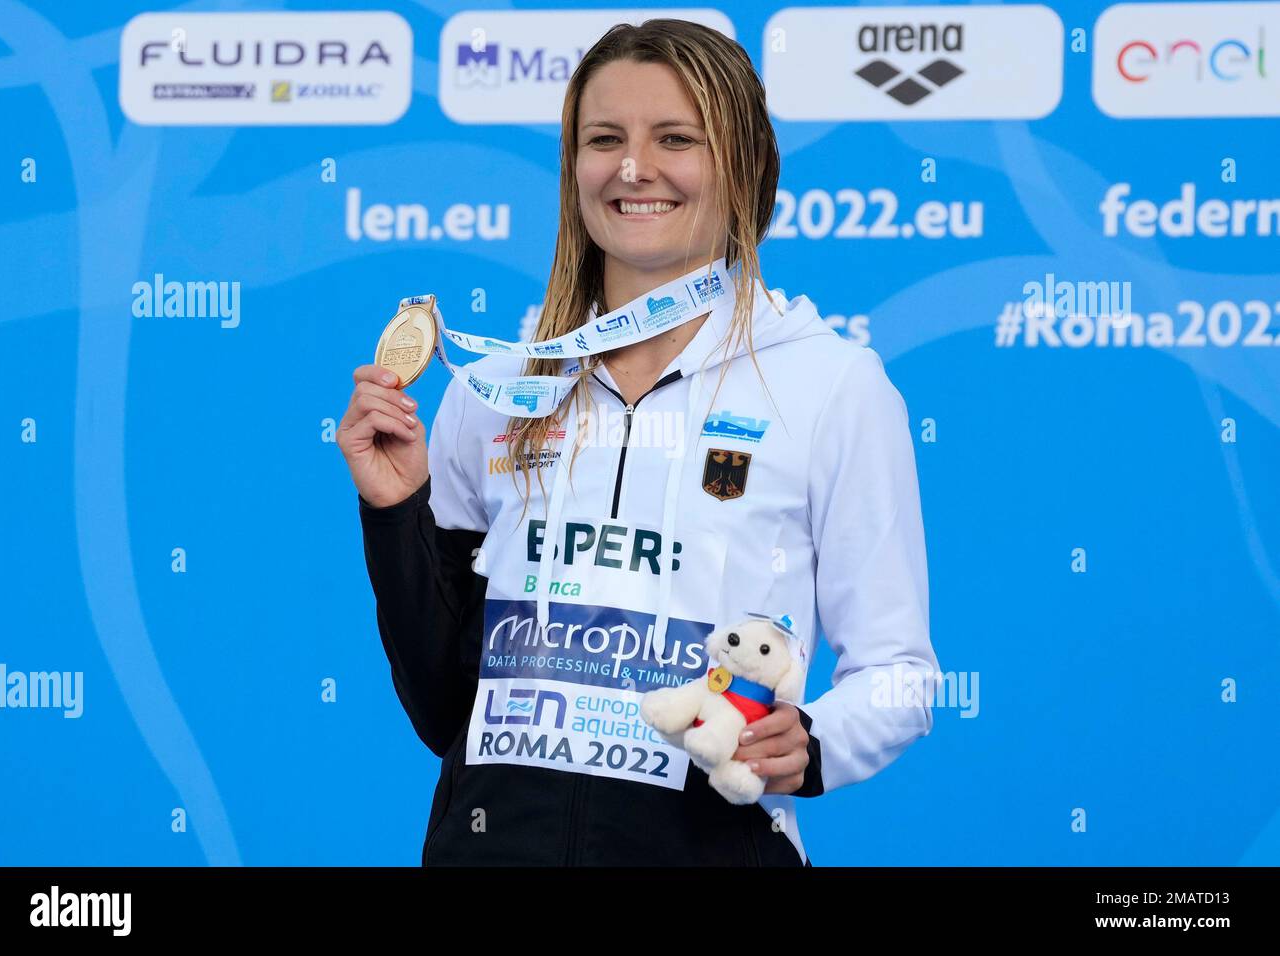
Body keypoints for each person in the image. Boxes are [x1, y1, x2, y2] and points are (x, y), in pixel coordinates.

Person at [338, 18, 939, 866]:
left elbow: (901, 675)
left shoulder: (831, 386)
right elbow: (443, 707)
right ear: (572, 167)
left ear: (743, 164)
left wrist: (812, 743)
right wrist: (396, 511)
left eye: (675, 139)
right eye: (604, 139)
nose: (632, 168)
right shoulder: (499, 391)